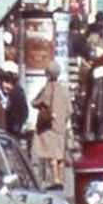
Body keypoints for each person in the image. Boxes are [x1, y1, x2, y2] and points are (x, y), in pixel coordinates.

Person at [31, 61, 72, 189]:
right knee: (60, 152)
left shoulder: (46, 88)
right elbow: (70, 110)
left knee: (51, 152)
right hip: (61, 125)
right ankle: (60, 179)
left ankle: (55, 179)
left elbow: (34, 102)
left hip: (48, 125)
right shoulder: (65, 89)